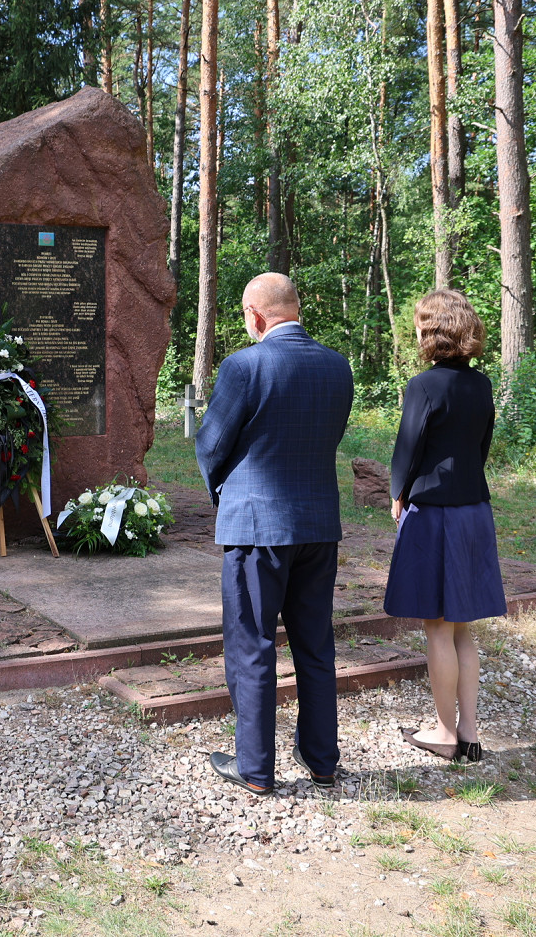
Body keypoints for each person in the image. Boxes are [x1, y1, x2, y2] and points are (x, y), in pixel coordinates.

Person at [195, 273, 354, 795]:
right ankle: (322, 760)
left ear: (255, 315)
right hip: (318, 526)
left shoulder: (244, 365)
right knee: (315, 645)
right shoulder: (337, 366)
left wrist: (223, 495)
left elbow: (212, 445)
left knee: (252, 644)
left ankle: (255, 768)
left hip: (257, 527)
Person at [387, 289, 506, 763]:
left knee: (437, 628)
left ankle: (443, 731)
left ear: (432, 331)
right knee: (462, 631)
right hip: (474, 511)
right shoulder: (481, 386)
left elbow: (408, 450)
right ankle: (470, 732)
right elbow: (481, 447)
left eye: (419, 323)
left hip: (433, 513)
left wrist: (398, 494)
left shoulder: (423, 387)